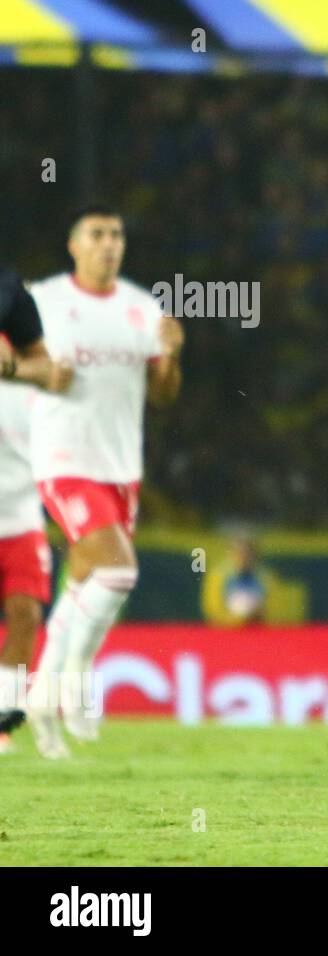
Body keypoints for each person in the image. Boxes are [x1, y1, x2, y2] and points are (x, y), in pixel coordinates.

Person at [25, 206, 184, 758]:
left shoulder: (142, 307)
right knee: (119, 572)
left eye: (116, 234)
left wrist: (171, 356)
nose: (109, 243)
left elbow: (162, 396)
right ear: (74, 245)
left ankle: (40, 702)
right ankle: (74, 688)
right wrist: (37, 372)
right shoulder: (42, 301)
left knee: (80, 588)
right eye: (96, 235)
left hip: (121, 469)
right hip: (63, 461)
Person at [0, 265, 72, 753]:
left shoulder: (12, 295)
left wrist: (12, 367)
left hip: (19, 508)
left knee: (25, 612)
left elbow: (56, 371)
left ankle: (2, 720)